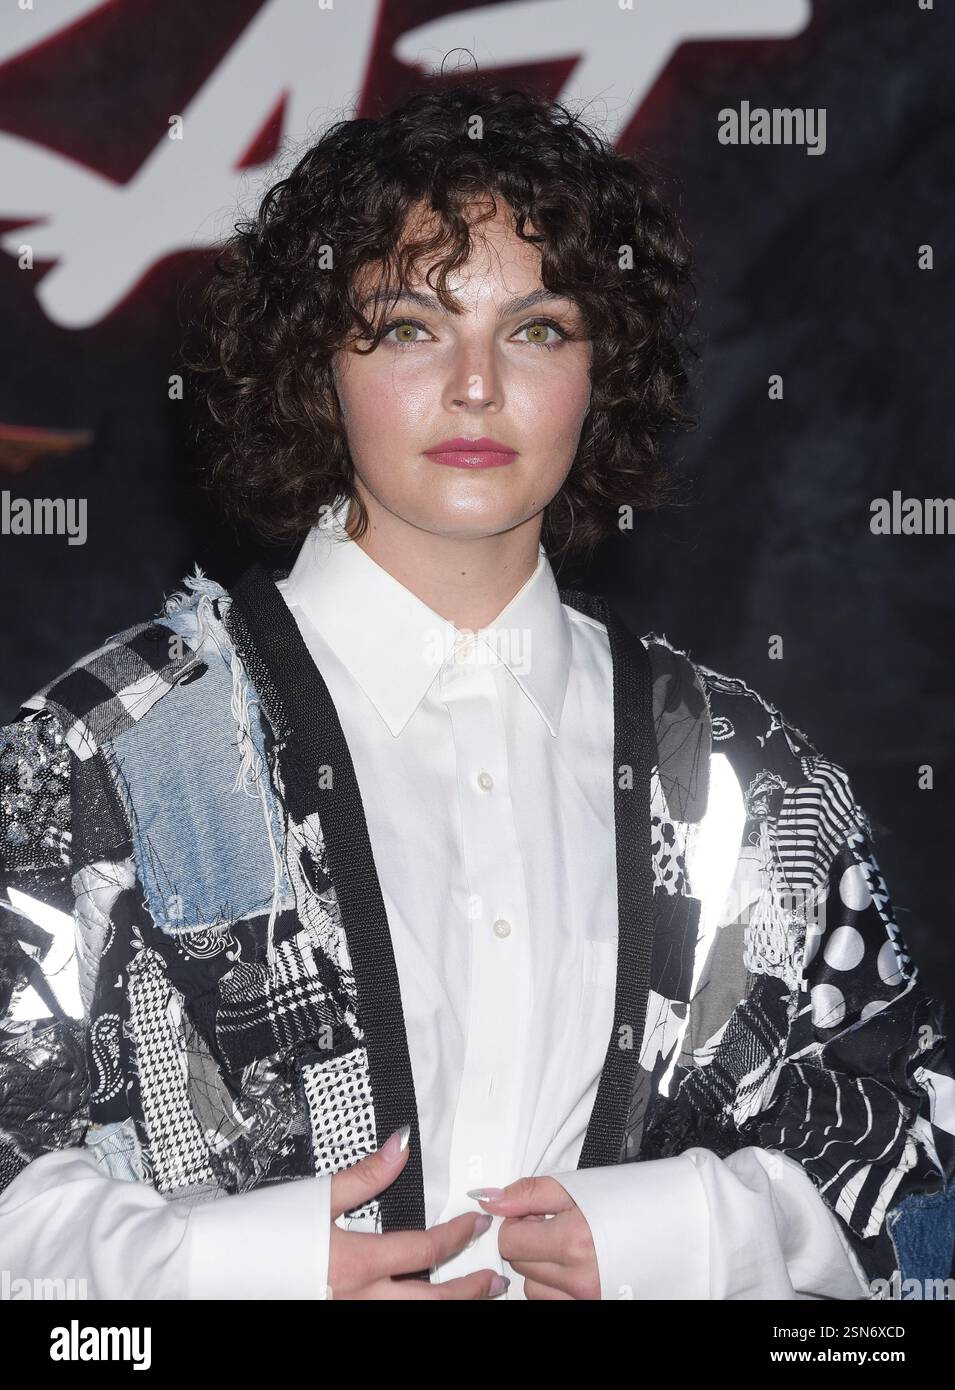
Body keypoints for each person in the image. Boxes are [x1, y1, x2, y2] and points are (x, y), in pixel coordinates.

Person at [1, 82, 952, 1302]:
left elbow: (916, 1192)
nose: (474, 384)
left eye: (537, 329)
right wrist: (221, 1276)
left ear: (602, 369)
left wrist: (701, 1240)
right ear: (317, 361)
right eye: (409, 325)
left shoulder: (743, 779)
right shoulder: (107, 755)